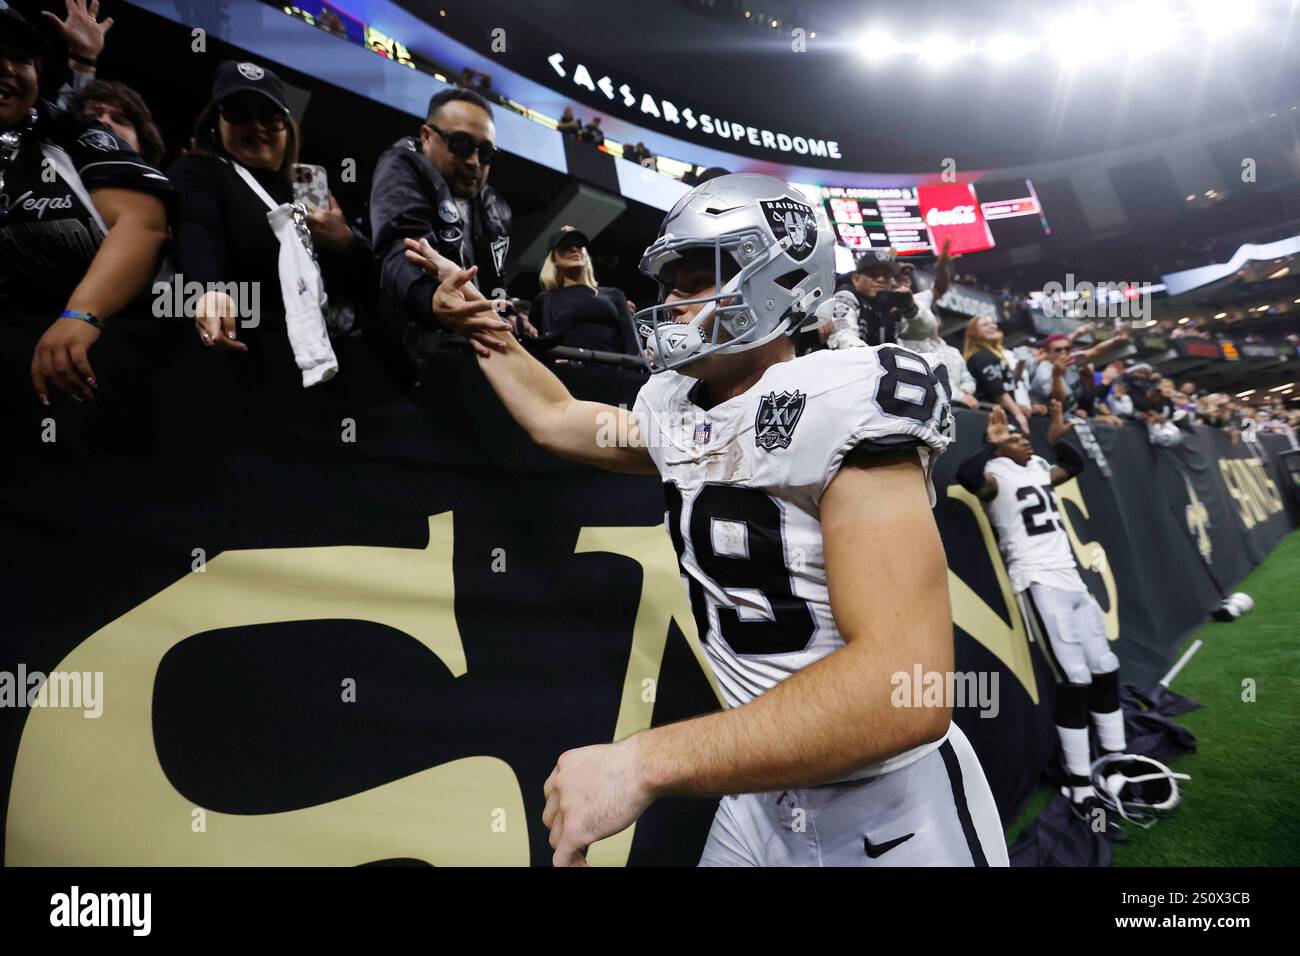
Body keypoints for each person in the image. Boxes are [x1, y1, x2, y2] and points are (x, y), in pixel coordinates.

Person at [404, 173, 1007, 868]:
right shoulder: (680, 409)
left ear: (780, 279)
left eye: (694, 280)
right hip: (757, 792)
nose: (669, 303)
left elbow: (903, 692)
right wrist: (482, 323)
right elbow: (559, 417)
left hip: (887, 813)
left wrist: (642, 764)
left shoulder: (844, 401)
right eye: (669, 283)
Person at [0, 2, 173, 419]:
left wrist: (80, 315)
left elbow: (143, 225)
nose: (8, 69)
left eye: (22, 59)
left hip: (107, 370)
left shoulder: (70, 132)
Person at [956, 402, 1126, 822]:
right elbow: (968, 477)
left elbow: (1073, 464)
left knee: (1105, 666)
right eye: (1016, 438)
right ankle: (1079, 780)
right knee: (1074, 678)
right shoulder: (995, 478)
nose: (1024, 440)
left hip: (1070, 579)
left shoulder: (1037, 469)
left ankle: (1116, 758)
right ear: (998, 447)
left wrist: (1058, 438)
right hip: (1038, 581)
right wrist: (989, 445)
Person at [167, 61, 372, 376]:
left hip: (324, 360)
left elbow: (356, 280)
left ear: (287, 128)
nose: (257, 126)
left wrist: (344, 242)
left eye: (269, 116)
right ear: (215, 122)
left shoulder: (307, 188)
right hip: (241, 352)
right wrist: (208, 289)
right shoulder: (201, 170)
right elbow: (197, 226)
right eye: (239, 112)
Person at [369, 87, 515, 381]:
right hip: (405, 358)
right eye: (461, 144)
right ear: (426, 136)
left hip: (473, 358)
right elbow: (403, 244)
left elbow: (492, 281)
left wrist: (509, 313)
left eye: (485, 152)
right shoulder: (403, 165)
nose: (474, 161)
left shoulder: (493, 205)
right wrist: (431, 297)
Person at [531, 227, 638, 355]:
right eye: (565, 246)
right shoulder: (545, 298)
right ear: (554, 259)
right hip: (567, 370)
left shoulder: (614, 295)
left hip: (614, 369)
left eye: (579, 245)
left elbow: (632, 345)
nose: (574, 249)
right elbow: (542, 343)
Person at [963, 315, 1032, 432]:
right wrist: (1018, 414)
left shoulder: (995, 355)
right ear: (974, 333)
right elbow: (998, 392)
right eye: (985, 324)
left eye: (993, 323)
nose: (992, 326)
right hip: (991, 416)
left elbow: (1008, 384)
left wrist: (1021, 362)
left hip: (998, 413)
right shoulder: (982, 356)